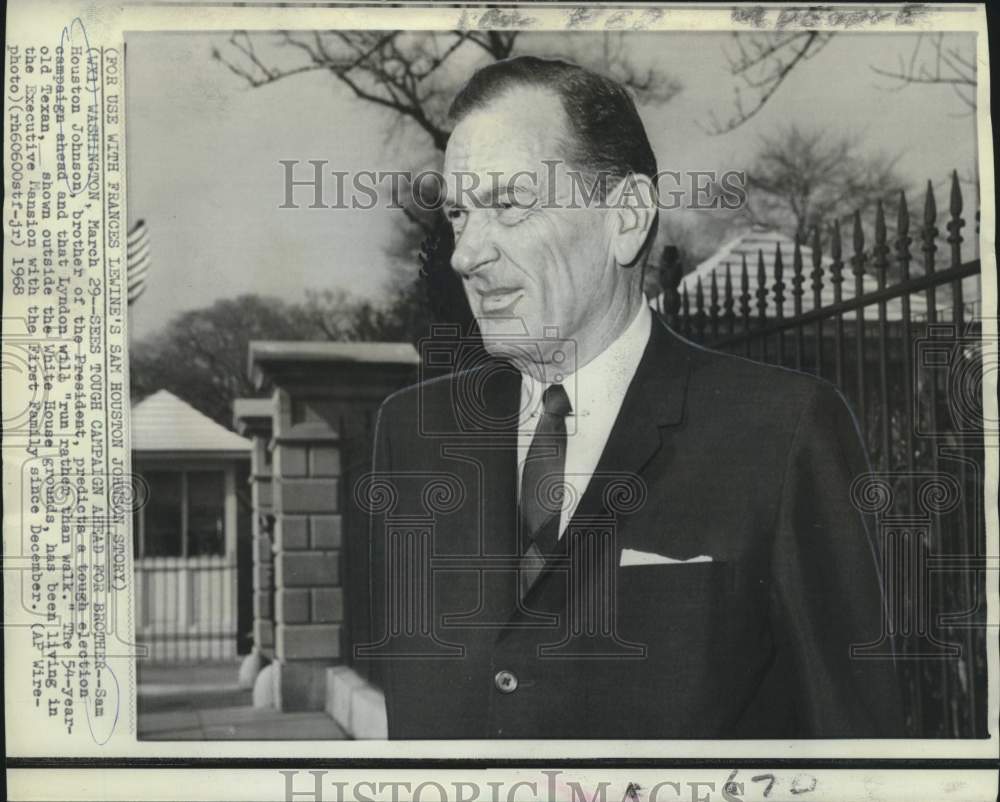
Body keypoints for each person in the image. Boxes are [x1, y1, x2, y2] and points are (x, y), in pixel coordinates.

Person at [366, 56, 905, 739]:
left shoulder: (781, 431)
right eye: (459, 213)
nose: (466, 253)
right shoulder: (412, 434)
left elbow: (859, 752)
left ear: (625, 217)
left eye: (507, 204)